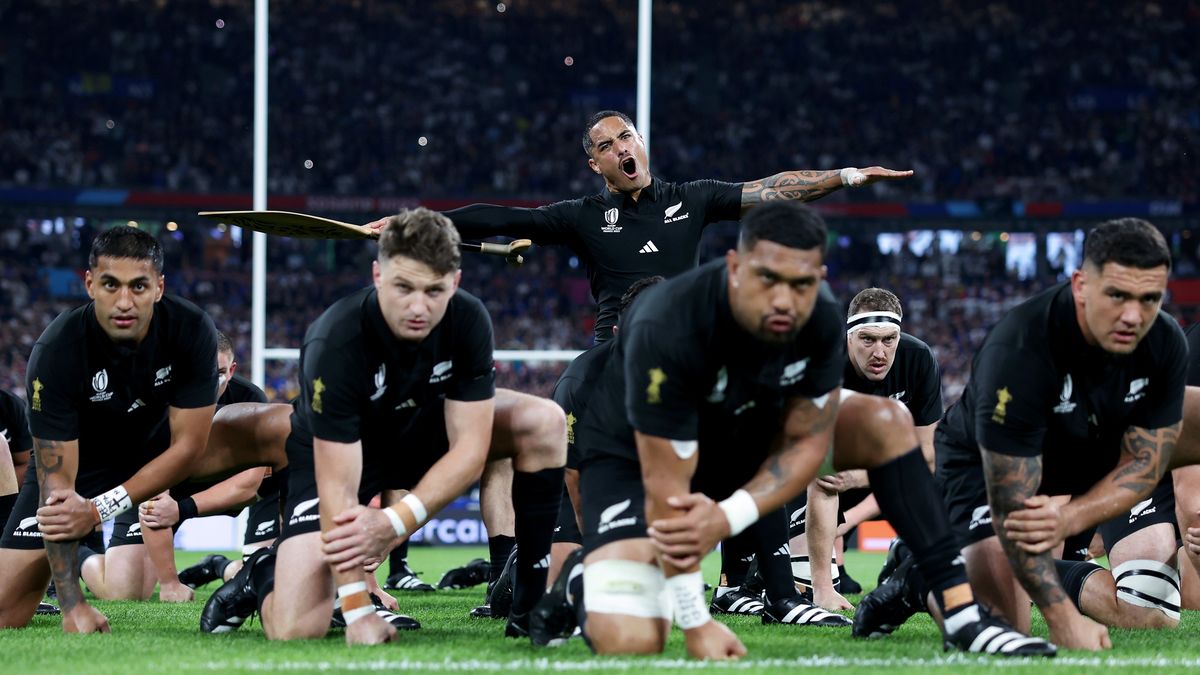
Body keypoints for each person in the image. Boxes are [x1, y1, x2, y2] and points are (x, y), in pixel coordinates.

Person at [380, 109, 913, 610]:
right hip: (615, 367)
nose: (621, 149)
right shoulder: (584, 217)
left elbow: (773, 189)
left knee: (753, 446)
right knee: (587, 477)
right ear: (596, 164)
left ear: (641, 142)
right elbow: (500, 218)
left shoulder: (693, 198)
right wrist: (415, 225)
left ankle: (751, 587)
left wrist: (846, 175)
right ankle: (528, 576)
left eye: (626, 137)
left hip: (691, 367)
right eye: (607, 146)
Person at [558, 201, 1051, 658]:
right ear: (734, 267)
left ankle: (961, 614)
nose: (783, 300)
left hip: (740, 439)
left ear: (819, 276)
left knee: (885, 421)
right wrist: (695, 620)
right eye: (766, 278)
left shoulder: (820, 319)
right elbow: (668, 476)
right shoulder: (670, 325)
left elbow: (807, 442)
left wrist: (728, 515)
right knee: (633, 639)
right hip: (639, 459)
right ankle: (585, 574)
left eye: (799, 284)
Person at [200, 208, 565, 644]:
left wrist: (392, 523)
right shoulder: (334, 339)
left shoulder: (468, 318)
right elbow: (338, 485)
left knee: (544, 421)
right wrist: (358, 610)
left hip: (424, 433)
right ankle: (263, 570)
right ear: (377, 274)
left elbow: (470, 449)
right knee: (297, 628)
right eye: (403, 287)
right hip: (344, 455)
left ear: (456, 282)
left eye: (435, 290)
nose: (418, 307)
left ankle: (529, 604)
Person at [919, 218, 1186, 651]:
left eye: (1150, 298)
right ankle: (919, 576)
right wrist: (1062, 617)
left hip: (1081, 450)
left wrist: (1070, 518)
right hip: (983, 463)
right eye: (1117, 295)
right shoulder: (1020, 348)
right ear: (1081, 284)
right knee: (1006, 632)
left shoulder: (1165, 342)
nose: (1134, 316)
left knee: (1151, 614)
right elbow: (1012, 506)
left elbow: (1145, 462)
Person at [0, 226, 219, 633]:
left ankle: (291, 567)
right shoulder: (57, 351)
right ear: (89, 284)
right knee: (4, 614)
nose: (124, 301)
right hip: (82, 467)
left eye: (138, 286)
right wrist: (73, 606)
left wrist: (99, 509)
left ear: (159, 287)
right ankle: (75, 563)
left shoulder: (190, 328)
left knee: (276, 431)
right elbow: (56, 490)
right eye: (110, 285)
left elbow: (190, 446)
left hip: (165, 455)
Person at [789, 287, 943, 610]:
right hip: (824, 471)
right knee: (824, 477)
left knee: (942, 479)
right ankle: (822, 586)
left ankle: (921, 566)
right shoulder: (825, 362)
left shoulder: (919, 359)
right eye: (868, 339)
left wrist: (857, 489)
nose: (880, 352)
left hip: (885, 474)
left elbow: (927, 455)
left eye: (889, 340)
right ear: (849, 337)